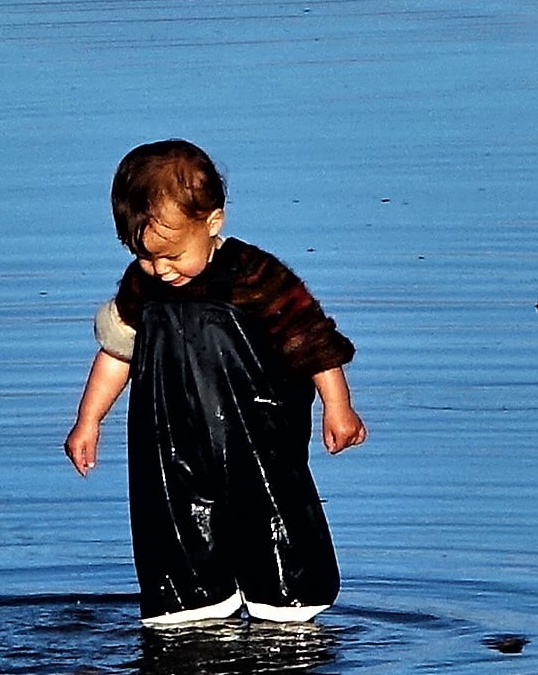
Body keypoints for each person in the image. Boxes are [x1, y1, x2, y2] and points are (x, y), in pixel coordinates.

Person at [64, 139, 365, 624]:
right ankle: (194, 629)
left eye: (173, 255)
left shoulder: (255, 277)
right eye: (145, 257)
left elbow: (313, 342)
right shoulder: (142, 287)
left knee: (281, 562)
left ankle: (285, 636)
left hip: (255, 448)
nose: (161, 269)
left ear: (213, 223)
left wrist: (339, 407)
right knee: (180, 575)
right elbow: (116, 352)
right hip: (173, 454)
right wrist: (88, 420)